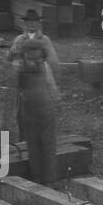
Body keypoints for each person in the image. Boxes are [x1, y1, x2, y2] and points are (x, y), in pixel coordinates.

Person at [15, 39, 60, 184]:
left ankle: (50, 179)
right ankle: (37, 178)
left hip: (46, 110)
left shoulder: (45, 67)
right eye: (31, 59)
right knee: (33, 146)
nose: (36, 62)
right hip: (29, 111)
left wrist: (57, 102)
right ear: (24, 57)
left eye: (39, 59)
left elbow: (52, 85)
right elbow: (15, 93)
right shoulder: (19, 70)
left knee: (48, 145)